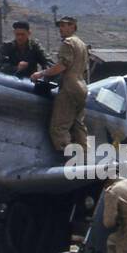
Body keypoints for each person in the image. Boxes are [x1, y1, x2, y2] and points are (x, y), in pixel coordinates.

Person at [31, 16, 89, 152]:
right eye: (60, 26)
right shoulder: (81, 44)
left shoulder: (68, 43)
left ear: (73, 27)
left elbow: (62, 66)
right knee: (78, 125)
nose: (61, 28)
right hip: (82, 87)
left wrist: (41, 74)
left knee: (59, 128)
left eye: (65, 25)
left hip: (69, 88)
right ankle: (85, 158)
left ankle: (68, 159)